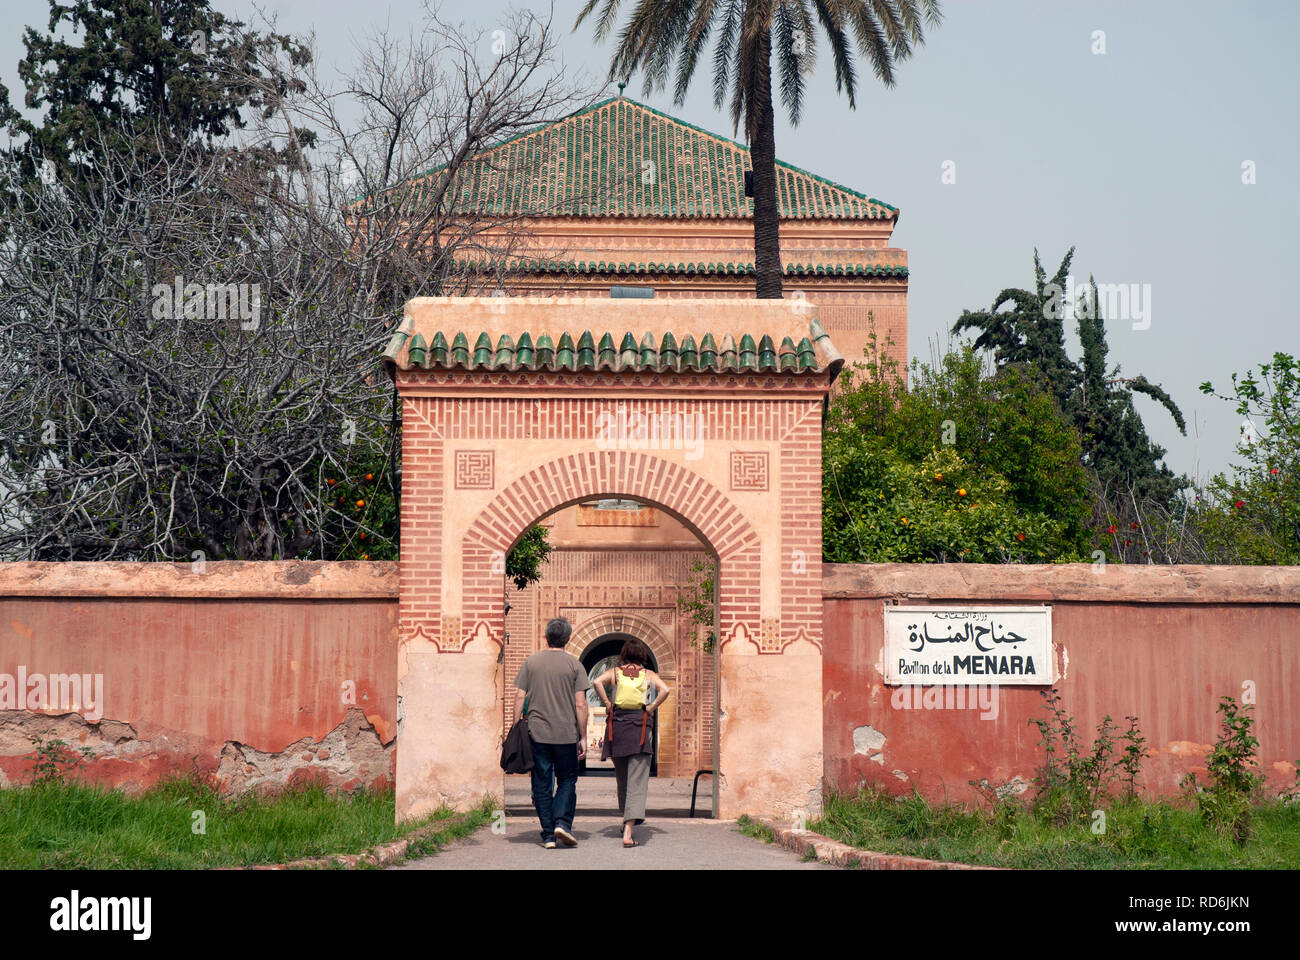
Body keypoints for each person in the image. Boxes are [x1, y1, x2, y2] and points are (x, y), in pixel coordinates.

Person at [513, 617, 589, 849]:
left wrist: (516, 728)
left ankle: (548, 836)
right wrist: (583, 736)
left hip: (537, 733)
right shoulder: (575, 665)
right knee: (567, 779)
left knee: (541, 782)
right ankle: (562, 823)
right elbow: (581, 705)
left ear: (546, 637)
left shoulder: (531, 663)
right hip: (566, 734)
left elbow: (519, 696)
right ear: (567, 639)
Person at [592, 639, 671, 847]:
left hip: (617, 727)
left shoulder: (615, 673)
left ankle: (626, 819)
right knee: (638, 780)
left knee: (623, 779)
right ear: (642, 655)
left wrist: (608, 703)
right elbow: (666, 690)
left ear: (624, 654)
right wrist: (652, 707)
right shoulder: (648, 675)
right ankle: (628, 831)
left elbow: (596, 682)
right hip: (640, 727)